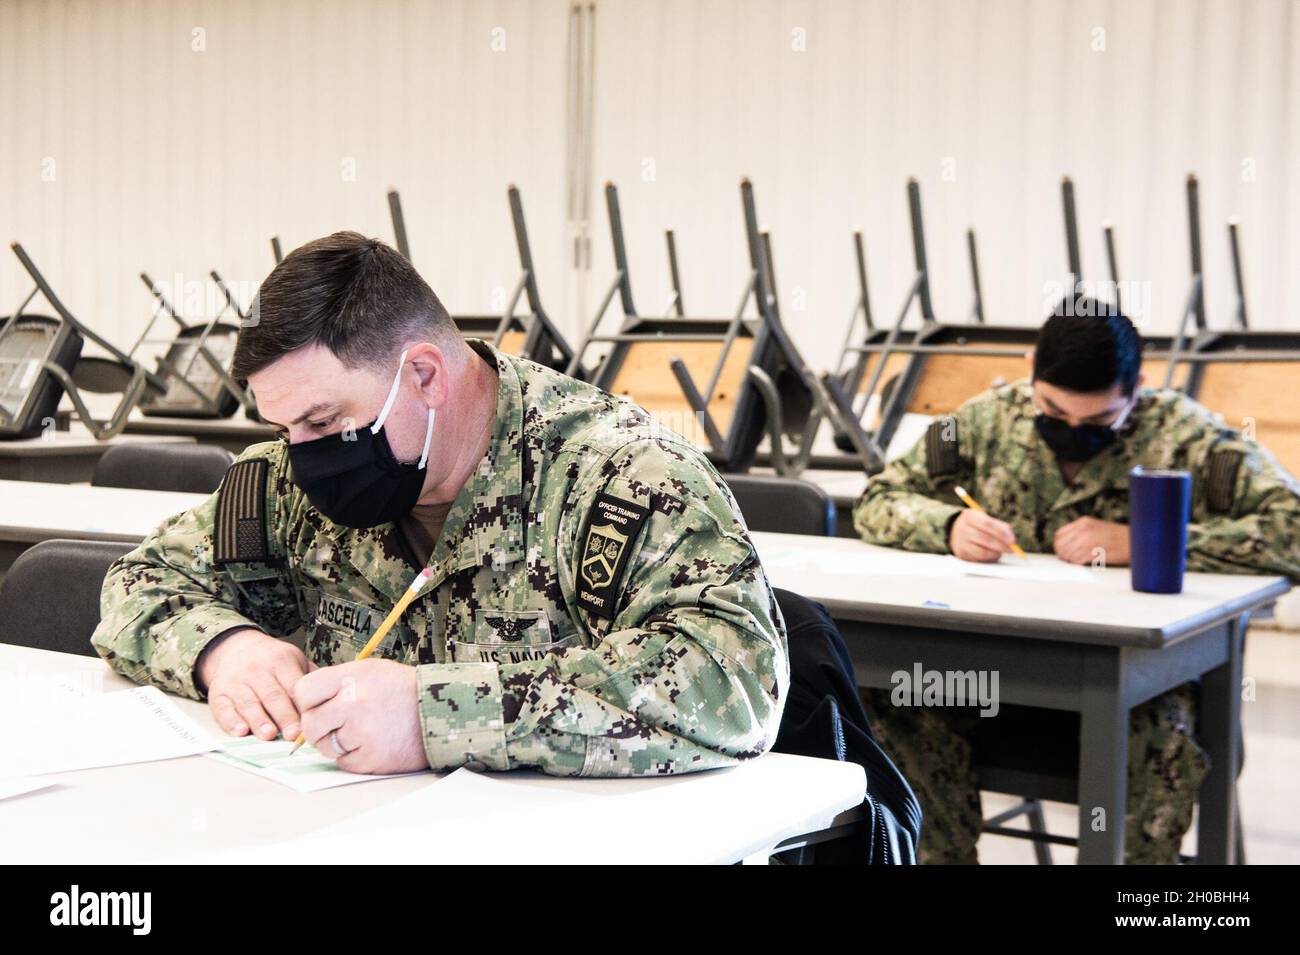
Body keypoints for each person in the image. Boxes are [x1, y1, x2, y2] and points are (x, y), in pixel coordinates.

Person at [92, 231, 788, 778]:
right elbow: (140, 582)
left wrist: (437, 716)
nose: (301, 454)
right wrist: (228, 649)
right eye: (285, 429)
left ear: (423, 375)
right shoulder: (283, 484)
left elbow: (735, 680)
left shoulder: (621, 476)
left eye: (323, 421)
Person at [852, 297, 1300, 863]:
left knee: (1162, 735)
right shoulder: (981, 420)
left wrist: (1142, 543)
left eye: (1096, 422)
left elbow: (1293, 529)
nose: (1070, 431)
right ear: (1029, 369)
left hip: (1136, 681)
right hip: (995, 674)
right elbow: (879, 497)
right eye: (1052, 412)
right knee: (893, 700)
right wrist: (948, 524)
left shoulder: (1187, 436)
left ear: (1136, 387)